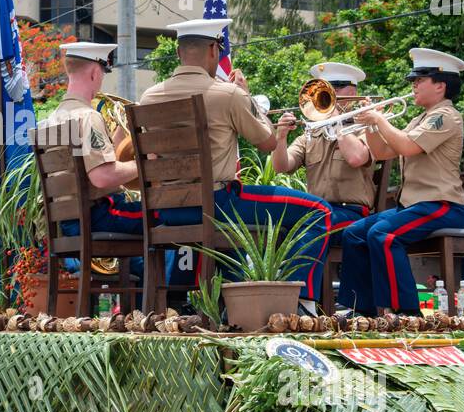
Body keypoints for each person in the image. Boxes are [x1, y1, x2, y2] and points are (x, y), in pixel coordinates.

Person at [137, 18, 332, 315]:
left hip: (168, 210)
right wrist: (247, 95)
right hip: (217, 204)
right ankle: (301, 303)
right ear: (214, 50)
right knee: (319, 211)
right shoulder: (227, 94)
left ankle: (228, 310)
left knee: (239, 228)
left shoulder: (148, 97)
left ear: (179, 53)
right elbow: (268, 143)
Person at [337, 49, 464, 317]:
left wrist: (379, 119)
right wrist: (371, 125)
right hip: (416, 205)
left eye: (420, 80)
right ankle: (362, 309)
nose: (414, 85)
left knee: (383, 235)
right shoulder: (419, 119)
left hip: (443, 204)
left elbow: (407, 146)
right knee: (353, 233)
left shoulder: (446, 115)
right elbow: (384, 152)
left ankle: (407, 311)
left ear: (441, 85)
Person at [41, 43, 142, 235]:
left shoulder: (52, 119)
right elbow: (102, 177)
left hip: (68, 220)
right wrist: (142, 164)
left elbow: (83, 165)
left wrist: (119, 136)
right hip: (98, 215)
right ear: (95, 72)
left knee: (138, 260)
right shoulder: (87, 117)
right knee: (164, 216)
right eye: (103, 73)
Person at [271, 61, 375, 231]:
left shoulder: (367, 127)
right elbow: (281, 166)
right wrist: (281, 137)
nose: (324, 97)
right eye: (321, 90)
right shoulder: (312, 133)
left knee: (313, 224)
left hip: (350, 212)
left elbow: (356, 158)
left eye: (333, 88)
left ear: (352, 92)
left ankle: (304, 259)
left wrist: (335, 119)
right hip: (317, 210)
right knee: (279, 221)